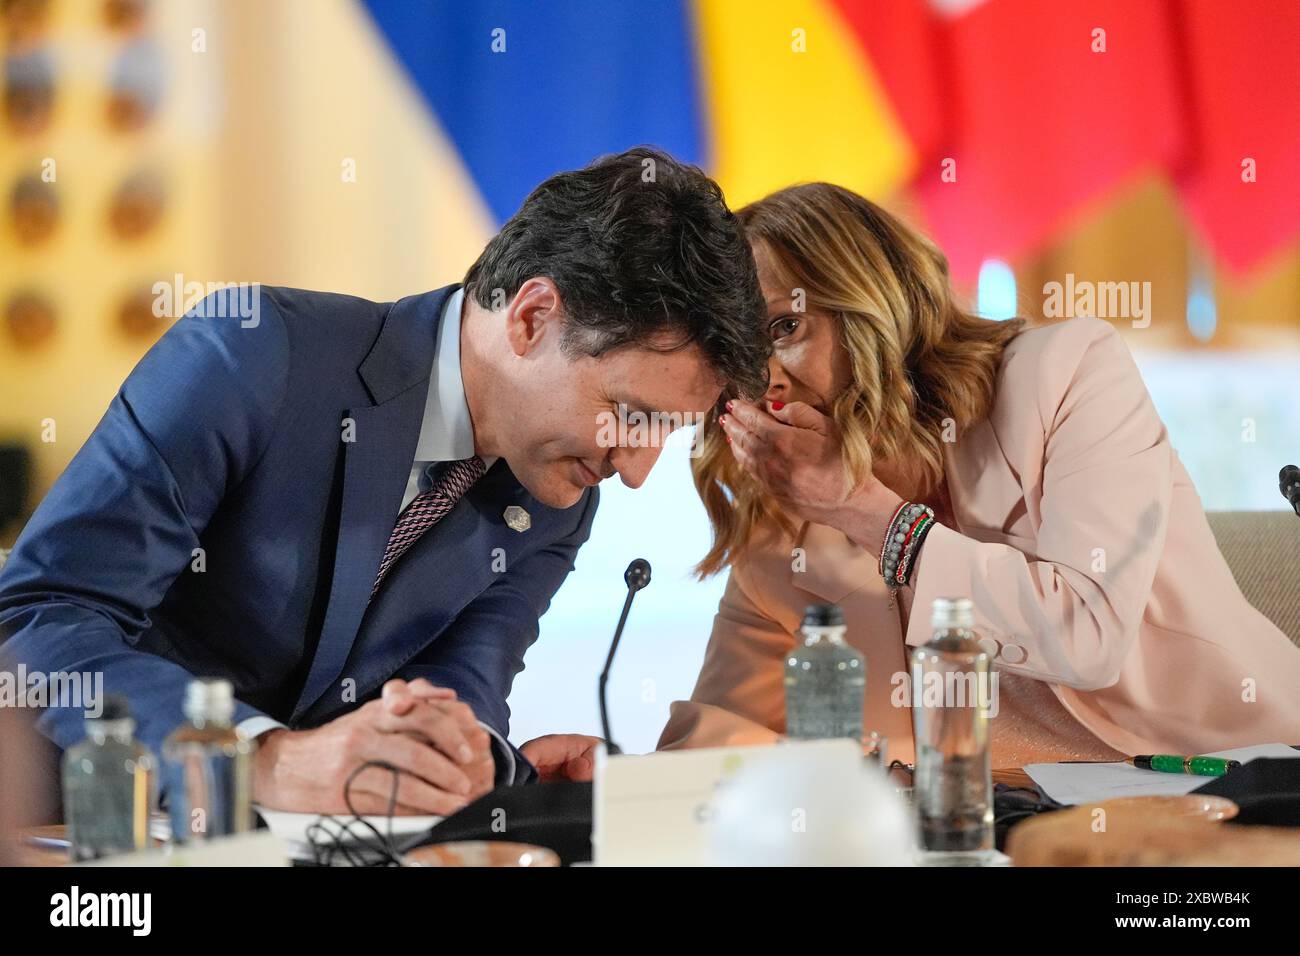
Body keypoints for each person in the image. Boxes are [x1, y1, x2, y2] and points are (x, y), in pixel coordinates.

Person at [0, 147, 768, 815]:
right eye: (630, 415)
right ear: (532, 317)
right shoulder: (255, 356)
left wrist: (498, 772)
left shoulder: (556, 504)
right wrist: (266, 760)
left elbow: (456, 693)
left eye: (666, 431)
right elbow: (38, 621)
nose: (635, 471)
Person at [659, 182, 1300, 766]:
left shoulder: (1067, 375)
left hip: (1229, 788)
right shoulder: (781, 529)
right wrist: (600, 773)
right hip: (992, 835)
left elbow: (1087, 635)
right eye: (738, 354)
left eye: (785, 327)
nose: (766, 376)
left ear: (876, 300)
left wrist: (864, 511)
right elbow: (721, 736)